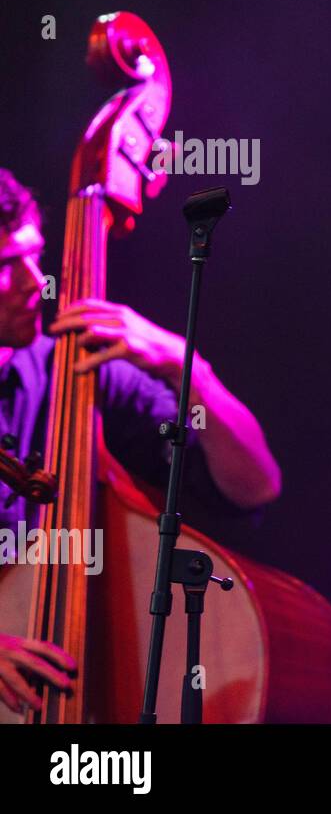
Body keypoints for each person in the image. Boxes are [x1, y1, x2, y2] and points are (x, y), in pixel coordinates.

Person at [0, 168, 281, 715]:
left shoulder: (74, 373)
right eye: (8, 265)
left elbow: (254, 485)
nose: (36, 281)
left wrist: (186, 367)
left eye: (34, 256)